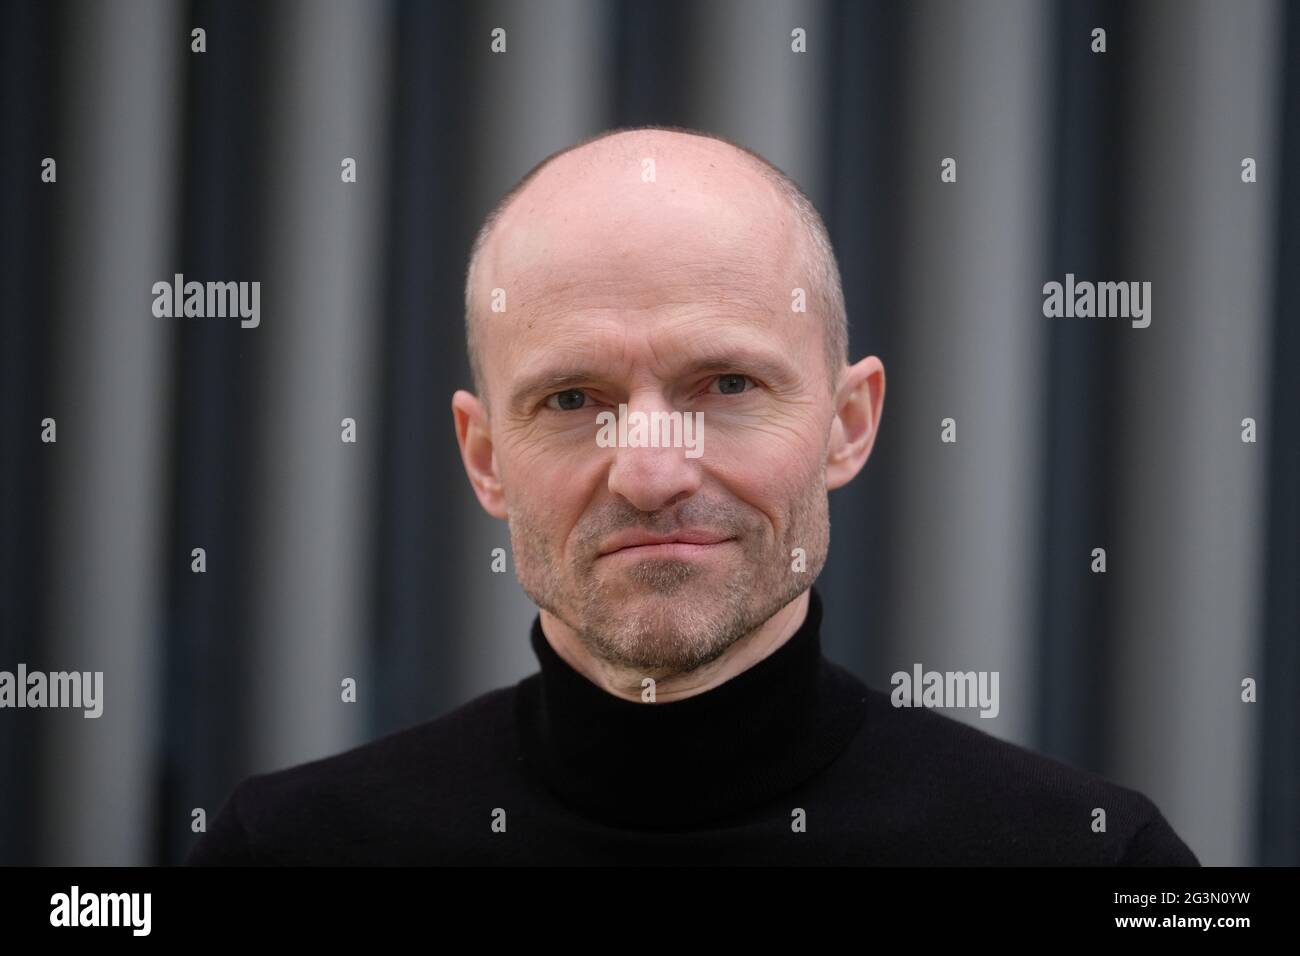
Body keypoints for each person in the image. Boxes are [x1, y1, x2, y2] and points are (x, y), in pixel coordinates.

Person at [187, 126, 1198, 865]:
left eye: (725, 386)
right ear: (486, 455)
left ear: (847, 423)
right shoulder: (287, 852)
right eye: (574, 397)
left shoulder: (1092, 861)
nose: (652, 470)